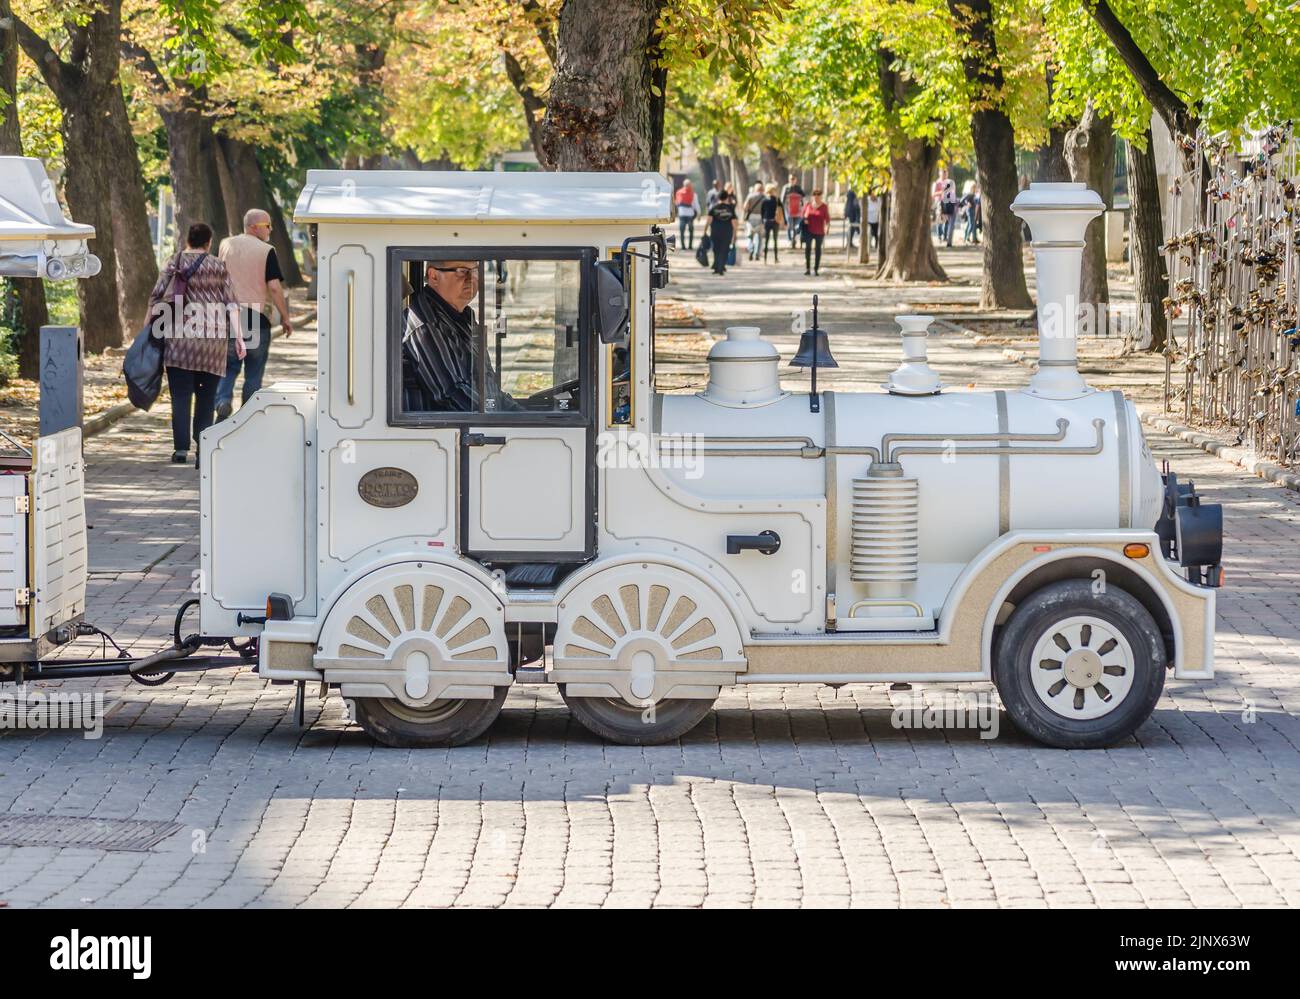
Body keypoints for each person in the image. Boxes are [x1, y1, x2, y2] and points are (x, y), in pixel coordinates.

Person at [147, 222, 243, 467]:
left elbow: (155, 296)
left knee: (180, 395)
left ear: (187, 239)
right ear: (209, 242)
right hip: (213, 343)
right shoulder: (218, 266)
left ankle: (180, 450)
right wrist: (240, 337)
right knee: (206, 396)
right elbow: (231, 304)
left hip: (180, 340)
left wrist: (146, 330)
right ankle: (203, 446)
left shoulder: (174, 262)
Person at [401, 260, 519, 412]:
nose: (472, 278)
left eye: (475, 270)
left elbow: (488, 384)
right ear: (434, 276)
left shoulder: (462, 317)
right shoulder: (424, 326)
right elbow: (453, 394)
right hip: (444, 433)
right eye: (462, 271)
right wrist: (501, 420)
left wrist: (520, 414)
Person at [214, 208, 293, 420]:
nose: (270, 230)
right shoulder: (267, 250)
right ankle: (247, 418)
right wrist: (285, 317)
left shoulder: (225, 245)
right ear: (253, 227)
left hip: (228, 316)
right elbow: (275, 287)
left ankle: (222, 400)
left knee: (227, 366)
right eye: (267, 226)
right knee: (254, 372)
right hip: (254, 318)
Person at [707, 191, 738, 276]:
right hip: (727, 232)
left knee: (716, 250)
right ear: (727, 198)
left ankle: (717, 267)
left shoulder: (714, 207)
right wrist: (735, 234)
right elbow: (734, 222)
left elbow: (709, 220)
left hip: (715, 232)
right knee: (724, 250)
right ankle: (721, 267)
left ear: (718, 198)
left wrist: (705, 231)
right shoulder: (730, 208)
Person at [801, 188, 830, 276]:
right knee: (808, 248)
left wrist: (827, 228)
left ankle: (816, 269)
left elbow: (827, 219)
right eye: (815, 195)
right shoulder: (808, 205)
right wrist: (804, 219)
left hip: (819, 231)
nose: (816, 197)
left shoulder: (824, 207)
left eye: (818, 195)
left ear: (821, 196)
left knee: (818, 250)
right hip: (809, 230)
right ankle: (808, 268)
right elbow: (802, 215)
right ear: (812, 196)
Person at [760, 183, 785, 263]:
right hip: (775, 222)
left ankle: (765, 259)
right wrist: (785, 221)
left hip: (767, 222)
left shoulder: (764, 201)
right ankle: (775, 258)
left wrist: (762, 221)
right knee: (775, 240)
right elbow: (782, 211)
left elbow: (762, 212)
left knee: (766, 240)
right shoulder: (777, 200)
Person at [742, 182, 765, 261]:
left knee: (750, 236)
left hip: (751, 217)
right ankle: (757, 254)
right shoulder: (764, 198)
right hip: (760, 217)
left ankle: (751, 249)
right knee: (759, 237)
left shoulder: (750, 196)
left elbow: (745, 207)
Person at [674, 180, 700, 250]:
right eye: (691, 185)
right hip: (690, 215)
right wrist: (698, 213)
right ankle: (690, 246)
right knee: (691, 230)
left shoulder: (678, 193)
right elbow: (696, 205)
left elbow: (676, 203)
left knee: (682, 231)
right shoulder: (693, 194)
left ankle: (683, 247)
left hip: (682, 214)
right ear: (689, 185)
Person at [781, 174, 805, 247]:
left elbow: (803, 195)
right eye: (791, 179)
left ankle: (794, 237)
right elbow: (782, 199)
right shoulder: (786, 188)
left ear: (796, 180)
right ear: (789, 179)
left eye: (793, 179)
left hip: (797, 209)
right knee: (790, 224)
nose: (792, 180)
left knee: (798, 225)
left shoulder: (798, 188)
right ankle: (790, 239)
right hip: (788, 209)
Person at [960, 180, 981, 244]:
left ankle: (971, 238)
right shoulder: (969, 194)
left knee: (971, 224)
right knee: (972, 225)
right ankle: (968, 238)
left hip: (973, 211)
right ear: (971, 188)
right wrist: (967, 204)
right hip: (969, 211)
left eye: (975, 187)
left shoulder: (974, 195)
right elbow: (962, 200)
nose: (974, 188)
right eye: (973, 187)